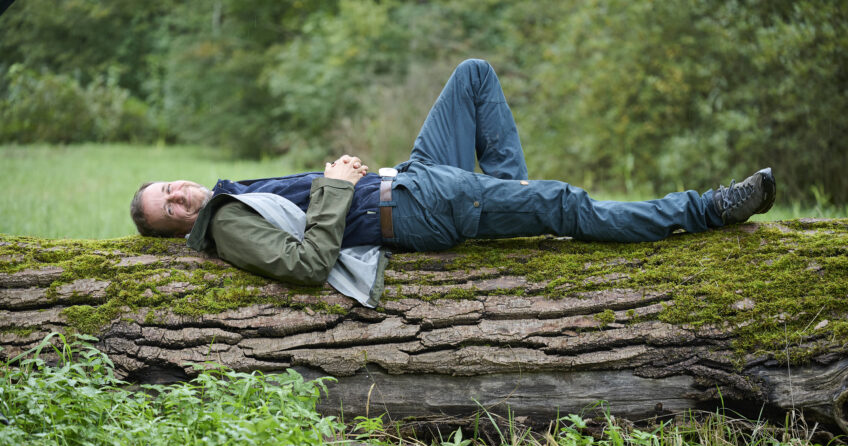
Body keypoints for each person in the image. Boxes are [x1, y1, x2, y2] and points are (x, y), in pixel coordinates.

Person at [130, 59, 776, 307]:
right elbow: (304, 265)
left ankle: (506, 202)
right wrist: (332, 185)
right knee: (564, 204)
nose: (180, 194)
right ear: (178, 229)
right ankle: (710, 209)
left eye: (170, 186)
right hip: (411, 211)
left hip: (410, 179)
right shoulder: (228, 226)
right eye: (169, 207)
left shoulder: (226, 192)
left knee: (473, 76)